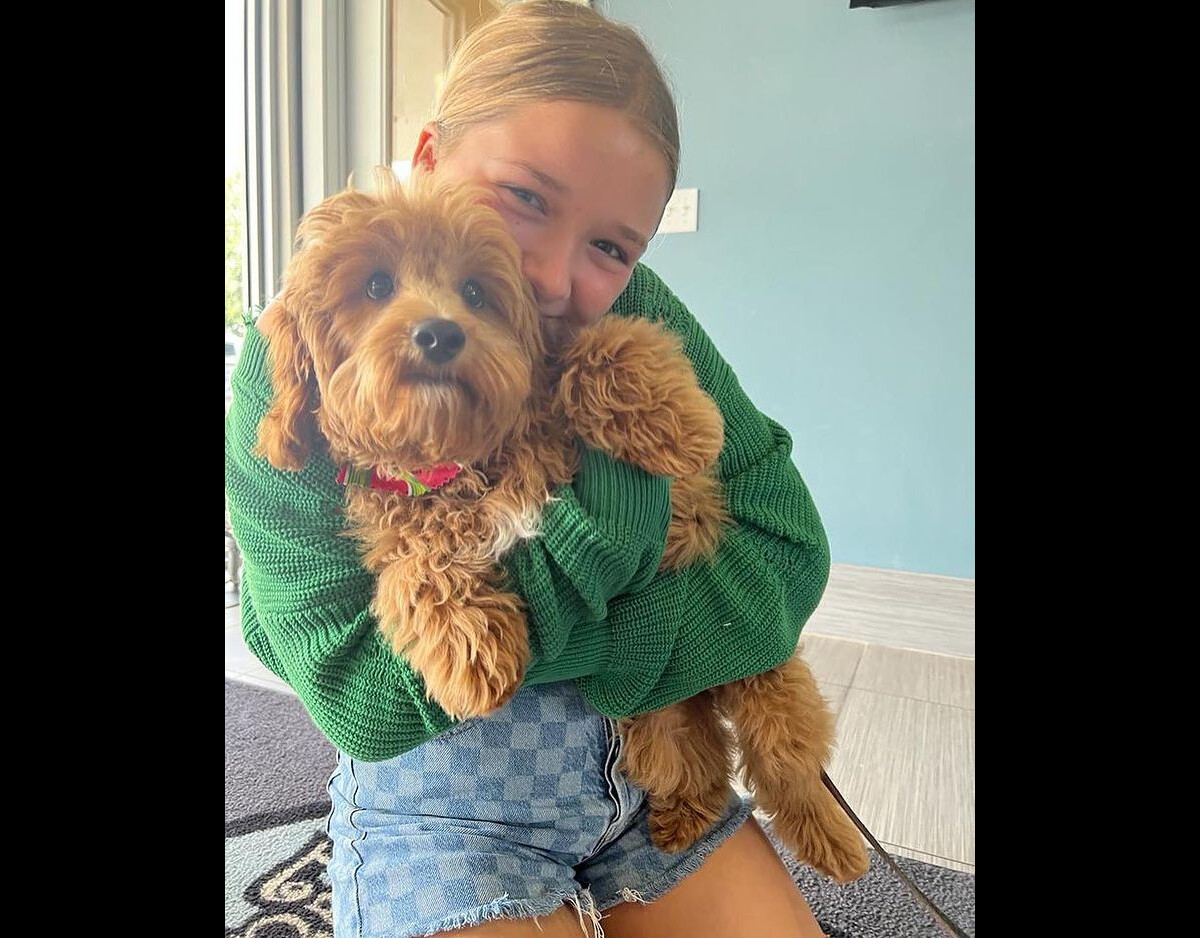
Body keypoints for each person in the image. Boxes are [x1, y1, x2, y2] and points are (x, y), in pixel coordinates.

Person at [225, 3, 836, 936]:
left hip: (646, 779)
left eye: (609, 247)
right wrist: (598, 594)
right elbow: (358, 698)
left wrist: (620, 647)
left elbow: (787, 552)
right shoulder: (315, 341)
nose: (552, 278)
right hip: (439, 810)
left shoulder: (637, 327)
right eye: (525, 197)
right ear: (429, 157)